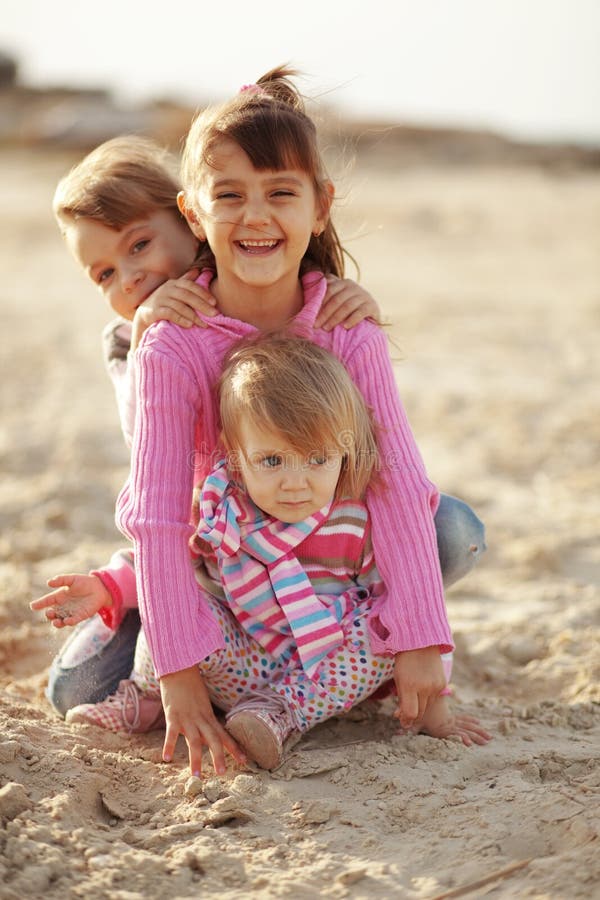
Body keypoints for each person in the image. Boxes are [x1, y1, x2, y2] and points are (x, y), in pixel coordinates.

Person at [110, 65, 486, 778]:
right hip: (221, 571)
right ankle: (152, 624)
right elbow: (159, 515)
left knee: (452, 533)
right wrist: (180, 678)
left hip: (326, 562)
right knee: (82, 688)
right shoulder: (176, 340)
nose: (256, 217)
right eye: (229, 197)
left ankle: (291, 689)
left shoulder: (346, 328)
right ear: (194, 214)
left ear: (319, 208)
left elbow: (394, 480)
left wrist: (418, 640)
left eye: (281, 194)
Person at [32, 133, 384, 720]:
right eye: (104, 274)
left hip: (309, 520)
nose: (129, 277)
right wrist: (146, 339)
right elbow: (151, 470)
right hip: (199, 540)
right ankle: (159, 609)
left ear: (189, 217)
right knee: (73, 689)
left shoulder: (261, 288)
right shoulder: (136, 342)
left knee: (448, 529)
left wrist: (346, 294)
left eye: (141, 245)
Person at [35, 336, 490, 768]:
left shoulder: (356, 522)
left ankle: (278, 716)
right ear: (236, 455)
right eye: (272, 461)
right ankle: (149, 699)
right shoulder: (220, 509)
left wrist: (436, 708)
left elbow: (406, 608)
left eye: (317, 460)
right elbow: (159, 569)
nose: (295, 482)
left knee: (390, 628)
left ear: (345, 453)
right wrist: (105, 588)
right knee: (173, 600)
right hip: (236, 660)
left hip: (317, 675)